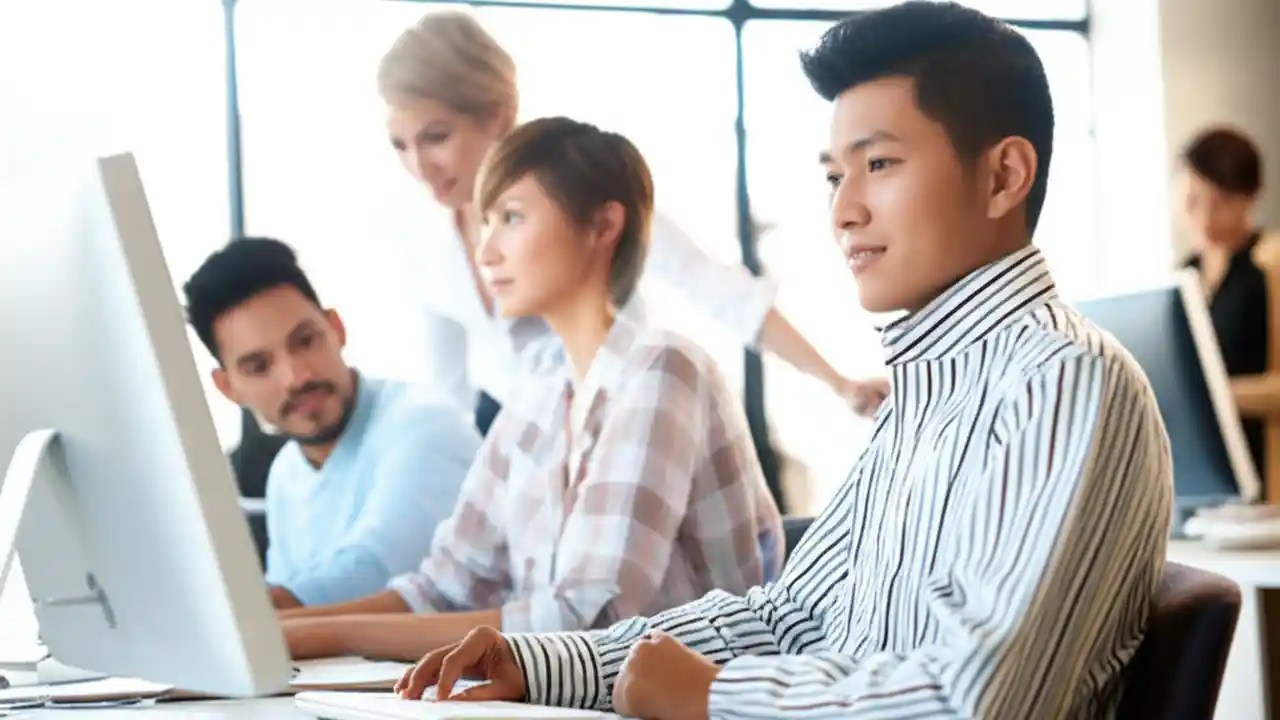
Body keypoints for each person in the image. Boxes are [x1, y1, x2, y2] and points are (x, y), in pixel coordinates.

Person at [393, 4, 1174, 719]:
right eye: (835, 176)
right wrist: (539, 662)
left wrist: (714, 696)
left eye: (879, 165)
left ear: (1004, 175)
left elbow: (981, 699)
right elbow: (788, 615)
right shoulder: (928, 398)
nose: (843, 210)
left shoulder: (1060, 379)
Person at [279, 118, 784, 662]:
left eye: (512, 218)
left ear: (602, 225)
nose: (486, 250)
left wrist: (331, 635)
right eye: (487, 221)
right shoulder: (538, 393)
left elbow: (590, 621)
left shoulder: (662, 369)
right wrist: (278, 625)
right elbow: (444, 587)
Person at [377, 9, 889, 437]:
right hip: (505, 435)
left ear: (500, 113)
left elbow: (717, 290)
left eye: (436, 137)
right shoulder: (419, 238)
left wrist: (837, 382)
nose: (420, 167)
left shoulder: (584, 190)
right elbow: (447, 386)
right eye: (400, 145)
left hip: (614, 419)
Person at [183, 238, 480, 609]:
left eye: (305, 341)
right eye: (259, 367)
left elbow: (372, 572)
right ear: (228, 387)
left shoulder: (424, 422)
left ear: (336, 328)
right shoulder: (285, 475)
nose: (296, 376)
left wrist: (226, 616)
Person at [1180, 126, 1269, 484]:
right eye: (1192, 202)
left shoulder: (1268, 267)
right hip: (1202, 466)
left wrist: (1208, 396)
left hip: (1263, 466)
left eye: (1219, 204)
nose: (1203, 219)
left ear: (1248, 198)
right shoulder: (1184, 277)